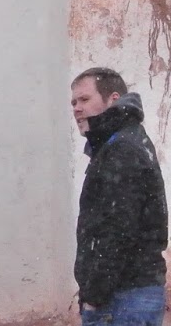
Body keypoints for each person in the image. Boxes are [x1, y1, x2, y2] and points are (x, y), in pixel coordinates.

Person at [70, 67, 167, 325]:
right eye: (74, 102)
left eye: (85, 99)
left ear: (113, 98)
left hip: (123, 299)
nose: (77, 108)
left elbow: (117, 230)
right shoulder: (124, 140)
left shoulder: (121, 148)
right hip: (131, 293)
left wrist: (94, 296)